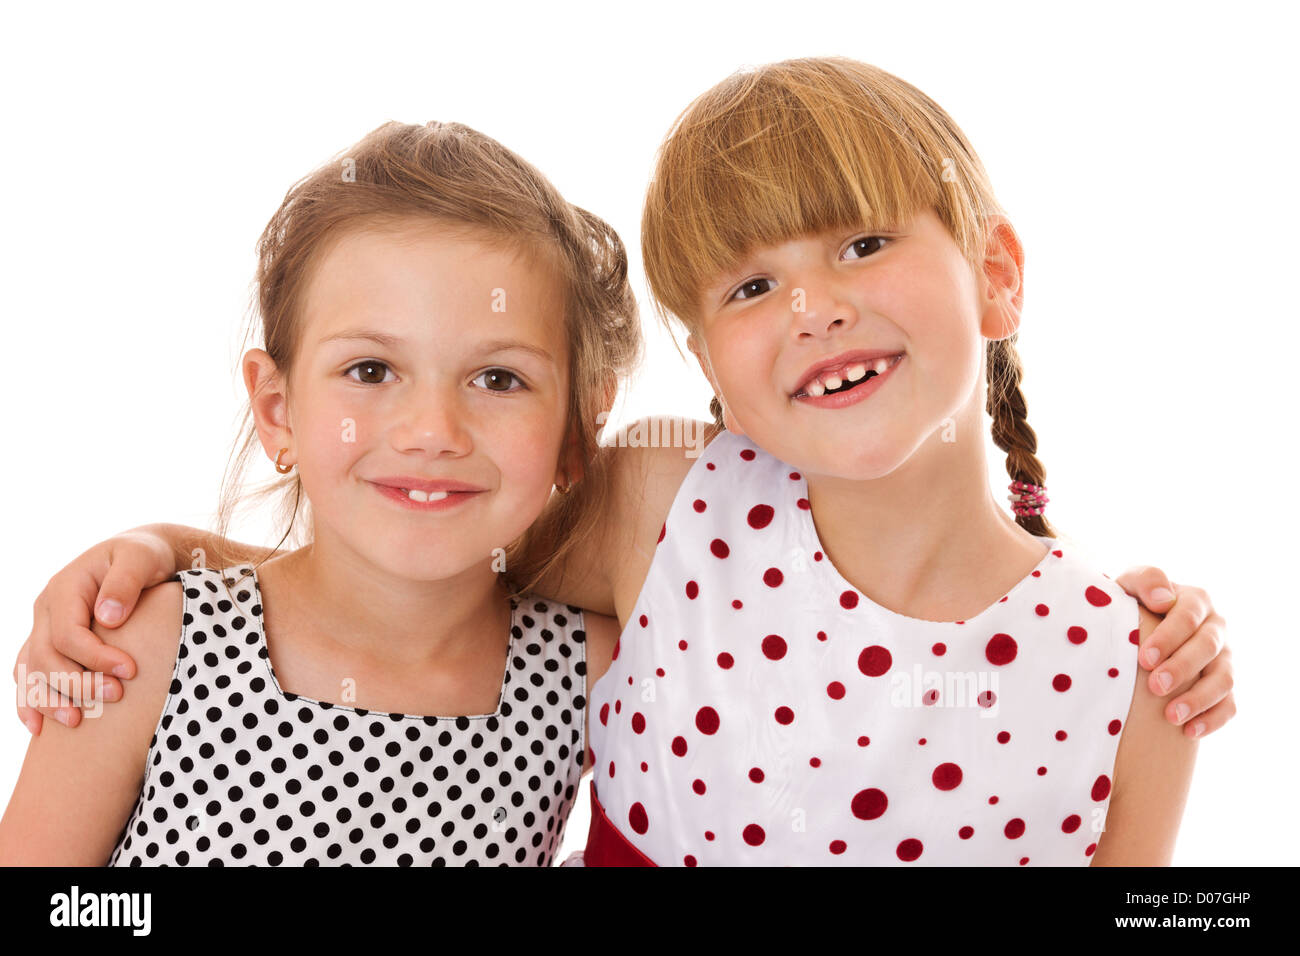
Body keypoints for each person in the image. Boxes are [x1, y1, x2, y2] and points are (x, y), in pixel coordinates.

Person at [11, 62, 1232, 866]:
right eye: (753, 284)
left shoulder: (1135, 669)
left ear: (996, 274)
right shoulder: (666, 510)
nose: (812, 305)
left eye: (862, 241)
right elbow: (406, 564)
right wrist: (166, 552)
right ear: (712, 361)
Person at [0, 119, 639, 865]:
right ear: (278, 412)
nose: (432, 431)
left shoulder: (597, 675)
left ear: (577, 431)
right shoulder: (152, 648)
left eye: (499, 378)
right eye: (370, 370)